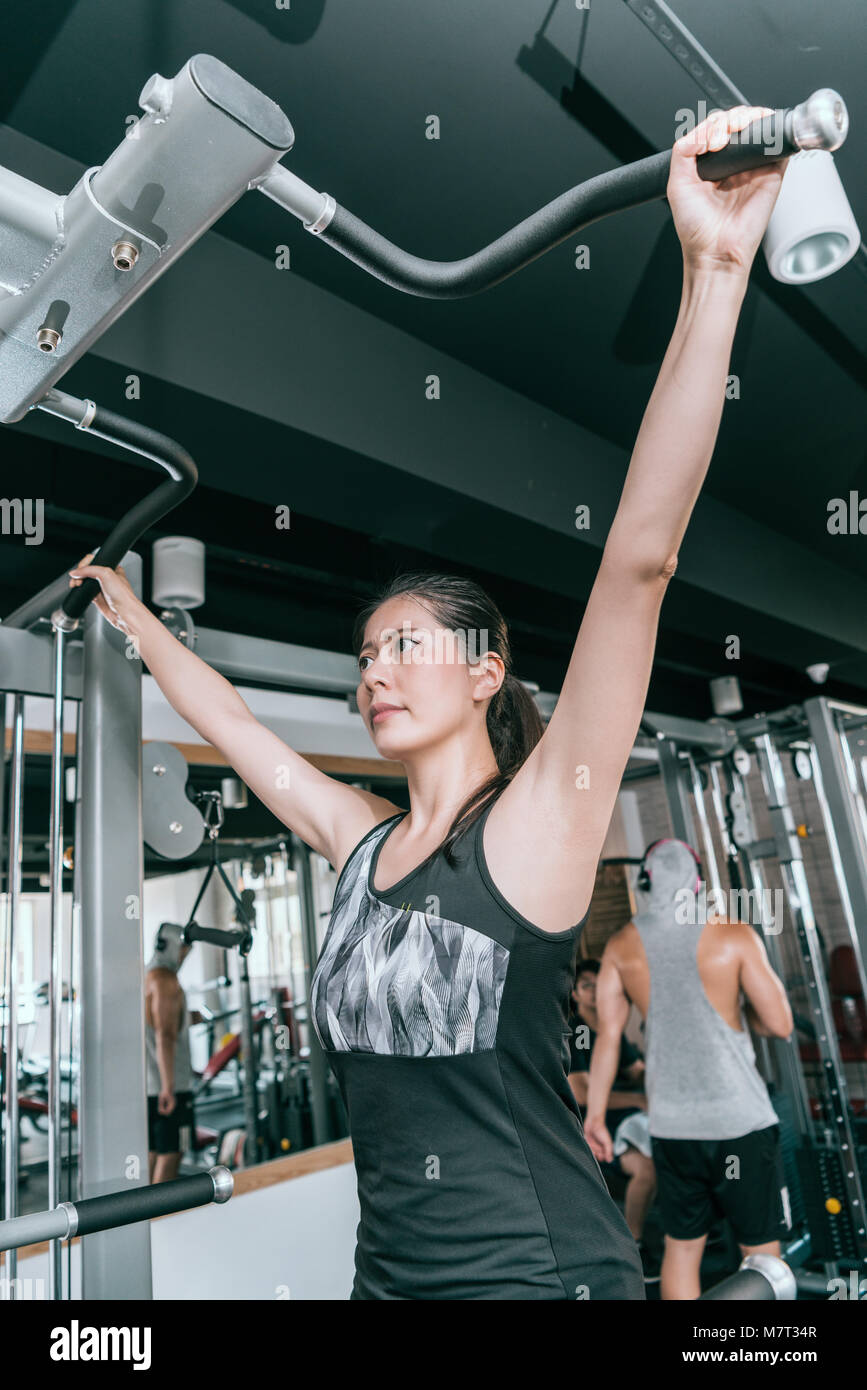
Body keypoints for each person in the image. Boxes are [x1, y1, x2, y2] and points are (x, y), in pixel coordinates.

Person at [68, 105, 788, 1299]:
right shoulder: (357, 847)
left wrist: (713, 268)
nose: (375, 670)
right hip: (387, 1282)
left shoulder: (536, 829)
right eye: (365, 655)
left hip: (539, 1279)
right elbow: (243, 733)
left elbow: (639, 561)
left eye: (406, 644)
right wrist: (136, 618)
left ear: (487, 670)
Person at [584, 839, 794, 1300]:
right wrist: (740, 1008)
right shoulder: (733, 935)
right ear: (698, 883)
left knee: (682, 1249)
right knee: (762, 1258)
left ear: (645, 883)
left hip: (674, 1127)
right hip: (740, 1122)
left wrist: (594, 1117)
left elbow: (608, 1038)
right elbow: (780, 1024)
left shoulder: (621, 947)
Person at [567, 959, 657, 1266]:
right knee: (646, 1169)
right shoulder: (573, 1031)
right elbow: (581, 1093)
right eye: (586, 986)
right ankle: (634, 1245)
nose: (594, 992)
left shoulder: (611, 1030)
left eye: (598, 984)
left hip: (632, 1114)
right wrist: (639, 1100)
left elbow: (637, 1071)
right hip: (597, 1122)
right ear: (575, 994)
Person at [145, 923, 195, 1183]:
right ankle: (161, 1221)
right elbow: (164, 1034)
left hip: (148, 1086)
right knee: (171, 1154)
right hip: (168, 1088)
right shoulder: (165, 980)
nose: (184, 957)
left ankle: (142, 1221)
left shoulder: (146, 977)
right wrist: (169, 1087)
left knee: (153, 1152)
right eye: (184, 951)